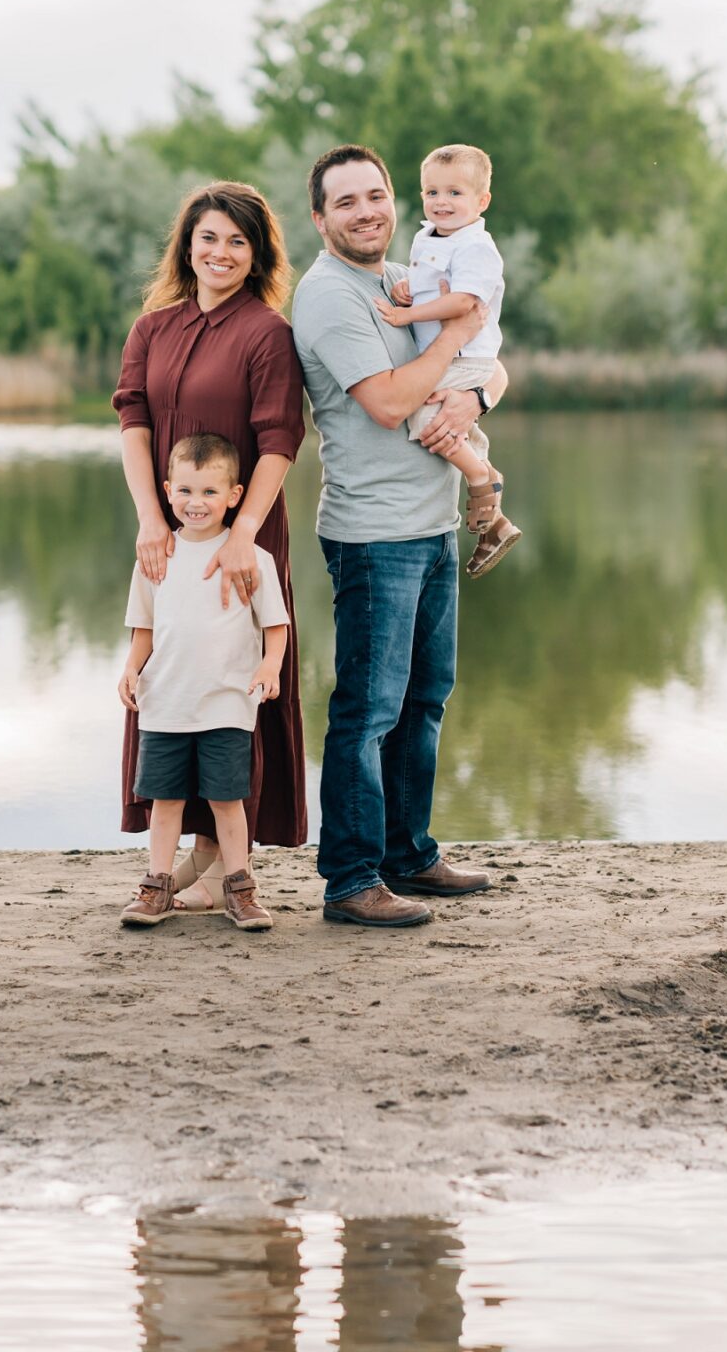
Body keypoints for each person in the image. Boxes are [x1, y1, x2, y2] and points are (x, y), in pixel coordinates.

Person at [290, 144, 507, 928]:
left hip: (432, 522)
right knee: (367, 711)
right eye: (345, 202)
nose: (367, 211)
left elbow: (495, 364)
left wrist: (474, 396)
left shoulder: (399, 277)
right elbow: (385, 402)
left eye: (375, 195)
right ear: (320, 218)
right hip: (373, 534)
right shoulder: (327, 296)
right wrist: (455, 343)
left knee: (424, 700)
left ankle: (407, 856)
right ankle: (350, 880)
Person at [112, 181, 306, 901]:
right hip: (169, 527)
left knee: (230, 673)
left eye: (236, 240)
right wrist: (149, 518)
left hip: (239, 528)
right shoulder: (152, 328)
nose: (220, 252)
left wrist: (244, 531)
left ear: (255, 254)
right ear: (186, 246)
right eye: (208, 237)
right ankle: (181, 857)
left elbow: (280, 438)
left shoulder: (266, 333)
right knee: (169, 668)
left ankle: (221, 858)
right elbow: (132, 421)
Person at [117, 434, 288, 931]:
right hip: (164, 703)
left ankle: (240, 888)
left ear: (234, 496)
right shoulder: (155, 554)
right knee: (165, 802)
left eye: (210, 493)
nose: (197, 503)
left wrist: (270, 665)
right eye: (187, 491)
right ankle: (156, 886)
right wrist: (131, 668)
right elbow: (144, 628)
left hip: (227, 704)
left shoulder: (253, 558)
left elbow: (274, 624)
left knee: (226, 801)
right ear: (168, 491)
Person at [373, 142, 521, 578]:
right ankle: (491, 499)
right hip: (447, 355)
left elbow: (463, 302)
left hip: (467, 354)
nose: (442, 202)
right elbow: (429, 282)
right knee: (444, 420)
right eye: (432, 192)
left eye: (455, 193)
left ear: (482, 201)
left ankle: (480, 479)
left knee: (423, 419)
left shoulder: (477, 247)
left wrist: (408, 313)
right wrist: (408, 290)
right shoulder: (425, 237)